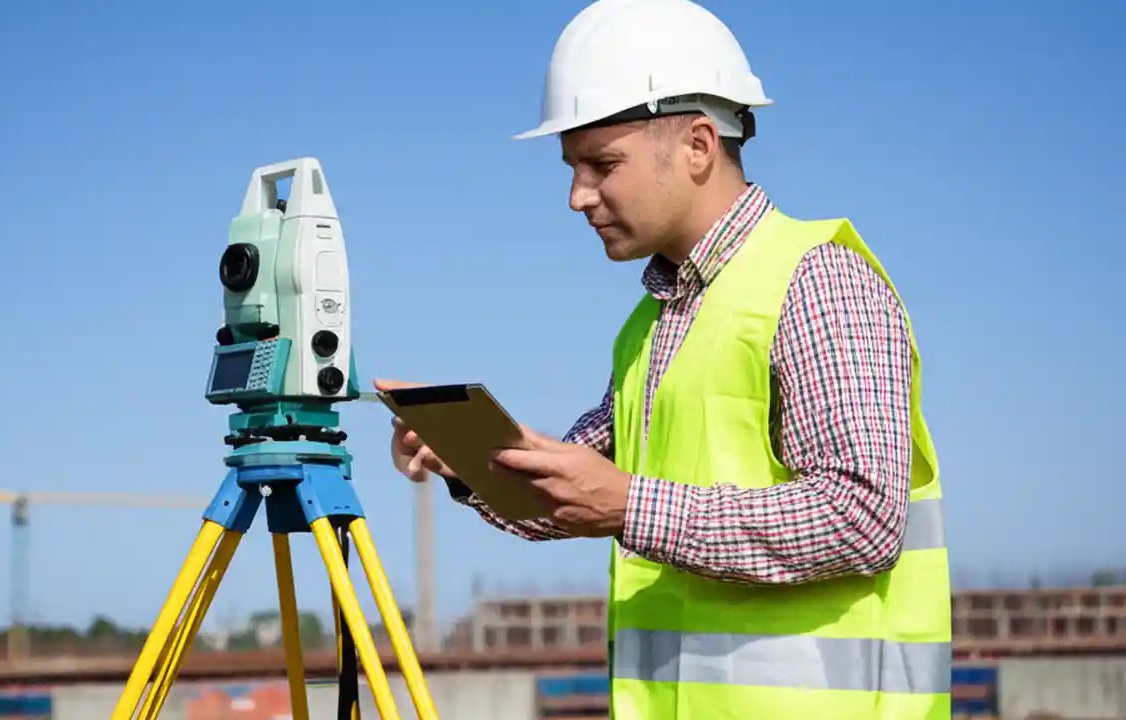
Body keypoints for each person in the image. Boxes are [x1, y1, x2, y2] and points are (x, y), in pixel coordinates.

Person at [376, 0, 952, 717]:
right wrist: (468, 459)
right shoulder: (650, 327)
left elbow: (862, 517)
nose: (577, 196)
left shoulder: (817, 281)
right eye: (572, 167)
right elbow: (572, 495)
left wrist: (629, 505)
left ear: (699, 146)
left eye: (601, 164)